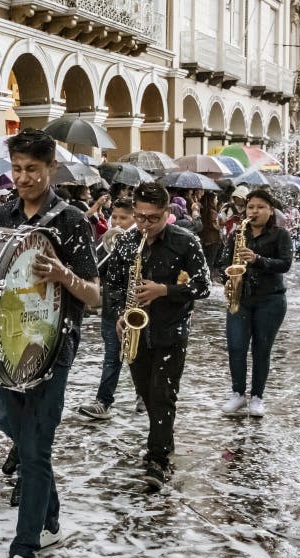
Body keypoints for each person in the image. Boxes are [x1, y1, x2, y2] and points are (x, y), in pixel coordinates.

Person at [0, 129, 100, 558]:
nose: (22, 178)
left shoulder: (70, 221)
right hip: (5, 348)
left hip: (52, 350)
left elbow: (95, 295)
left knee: (34, 450)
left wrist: (62, 273)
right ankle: (49, 516)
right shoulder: (2, 213)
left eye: (32, 169)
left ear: (51, 169)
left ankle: (23, 555)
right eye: (17, 169)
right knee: (22, 435)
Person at [105, 182, 210, 490]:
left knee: (163, 395)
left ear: (167, 213)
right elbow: (112, 284)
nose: (145, 224)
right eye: (140, 217)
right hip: (137, 332)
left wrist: (164, 290)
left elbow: (204, 286)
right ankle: (162, 440)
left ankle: (157, 460)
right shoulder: (128, 242)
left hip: (171, 330)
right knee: (148, 394)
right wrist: (119, 316)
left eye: (152, 218)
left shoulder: (186, 241)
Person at [219, 189, 292, 418]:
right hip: (241, 297)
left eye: (260, 207)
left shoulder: (280, 235)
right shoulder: (237, 233)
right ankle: (238, 394)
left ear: (271, 211)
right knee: (236, 347)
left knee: (262, 349)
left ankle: (257, 397)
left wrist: (258, 260)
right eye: (251, 207)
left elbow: (285, 263)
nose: (255, 211)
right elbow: (222, 262)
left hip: (270, 300)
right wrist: (228, 276)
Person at [77, 198, 145, 420]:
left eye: (123, 218)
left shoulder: (142, 239)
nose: (117, 221)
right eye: (114, 217)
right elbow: (97, 270)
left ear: (135, 218)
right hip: (112, 309)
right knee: (112, 357)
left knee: (137, 355)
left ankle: (143, 395)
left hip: (138, 308)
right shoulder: (110, 238)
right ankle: (103, 402)